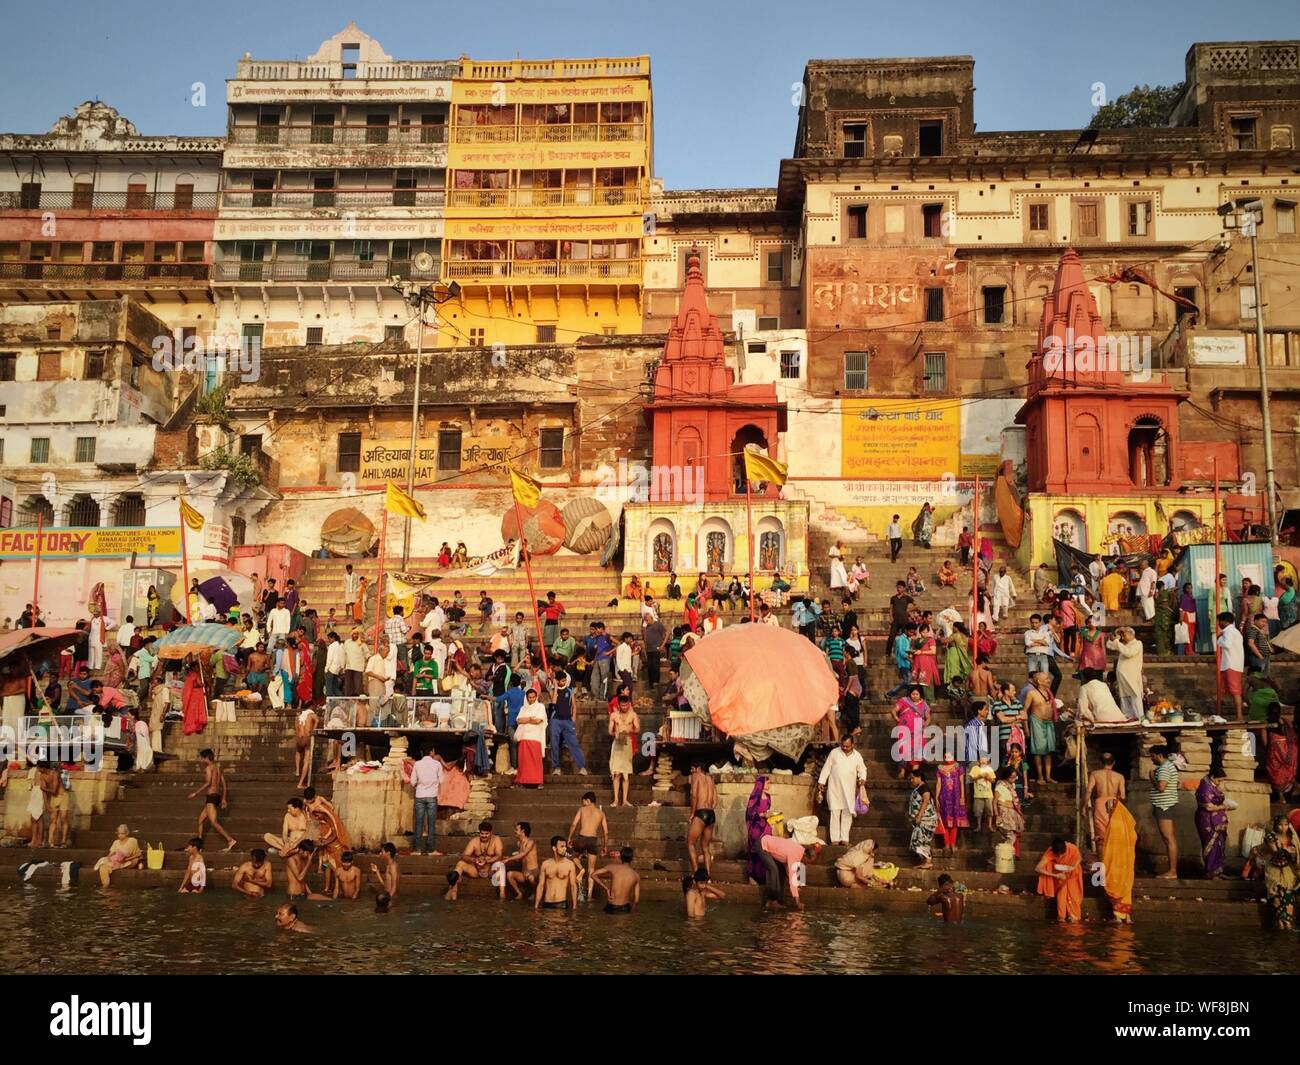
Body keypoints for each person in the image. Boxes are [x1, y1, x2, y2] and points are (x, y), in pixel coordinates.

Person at [816, 735, 867, 846]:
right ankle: (834, 839)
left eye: (847, 746)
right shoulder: (834, 753)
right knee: (834, 812)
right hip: (834, 789)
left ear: (852, 745)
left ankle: (844, 838)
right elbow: (826, 768)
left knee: (847, 813)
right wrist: (822, 782)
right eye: (843, 745)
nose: (844, 748)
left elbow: (862, 769)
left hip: (849, 790)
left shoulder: (857, 756)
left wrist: (862, 779)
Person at [1251, 816, 1299, 929]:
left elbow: (1296, 853)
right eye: (1280, 825)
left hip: (1288, 872)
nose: (1283, 827)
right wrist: (1287, 849)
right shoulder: (1270, 836)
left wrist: (1292, 851)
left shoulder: (1292, 837)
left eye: (1286, 825)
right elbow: (1274, 850)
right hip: (1274, 871)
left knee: (1288, 897)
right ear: (1276, 825)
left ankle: (1287, 922)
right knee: (1276, 896)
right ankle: (1279, 922)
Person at [189, 749, 236, 851]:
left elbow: (208, 783)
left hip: (211, 797)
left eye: (202, 758)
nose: (201, 760)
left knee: (213, 822)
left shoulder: (208, 768)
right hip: (216, 796)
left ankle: (230, 839)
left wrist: (195, 793)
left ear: (206, 758)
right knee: (201, 820)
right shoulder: (218, 768)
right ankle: (199, 845)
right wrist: (223, 798)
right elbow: (223, 784)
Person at [758, 832, 818, 911]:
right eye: (808, 861)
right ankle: (770, 901)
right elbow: (792, 878)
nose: (806, 864)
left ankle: (779, 901)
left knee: (781, 872)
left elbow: (788, 871)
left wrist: (796, 886)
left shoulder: (800, 850)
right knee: (773, 870)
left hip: (768, 844)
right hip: (762, 845)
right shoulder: (795, 854)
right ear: (805, 856)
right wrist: (798, 902)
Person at [445, 821, 504, 901]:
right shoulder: (474, 841)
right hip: (476, 870)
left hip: (490, 870)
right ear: (479, 832)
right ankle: (453, 890)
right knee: (460, 863)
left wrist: (486, 861)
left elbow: (499, 856)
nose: (484, 836)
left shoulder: (496, 840)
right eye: (482, 833)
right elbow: (464, 855)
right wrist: (474, 859)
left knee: (500, 865)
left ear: (491, 833)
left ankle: (502, 894)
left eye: (486, 834)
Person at [567, 792, 609, 898]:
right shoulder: (601, 813)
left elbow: (573, 825)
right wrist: (605, 846)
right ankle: (589, 896)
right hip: (593, 841)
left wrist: (569, 838)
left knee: (573, 857)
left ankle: (581, 868)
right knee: (592, 869)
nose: (583, 804)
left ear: (588, 801)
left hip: (582, 838)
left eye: (584, 802)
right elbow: (606, 832)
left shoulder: (581, 810)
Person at [1149, 745, 1180, 879]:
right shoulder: (1167, 767)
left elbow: (1161, 787)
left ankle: (1172, 871)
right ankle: (1172, 870)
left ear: (1159, 755)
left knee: (1169, 839)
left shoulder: (1164, 768)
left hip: (1164, 806)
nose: (1152, 759)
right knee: (1169, 838)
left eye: (1153, 756)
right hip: (1166, 805)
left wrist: (1151, 778)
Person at [1194, 765, 1230, 880]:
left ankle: (1218, 871)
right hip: (1207, 821)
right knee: (1211, 845)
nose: (1220, 783)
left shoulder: (1213, 786)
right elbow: (1209, 807)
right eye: (1219, 780)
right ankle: (1211, 872)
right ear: (1213, 777)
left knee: (1219, 845)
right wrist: (1224, 806)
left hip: (1218, 821)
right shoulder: (1205, 788)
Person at [1035, 836, 1083, 922]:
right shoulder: (1050, 853)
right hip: (1059, 877)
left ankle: (1073, 916)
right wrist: (1055, 875)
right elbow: (1038, 868)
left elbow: (1079, 858)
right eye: (1058, 855)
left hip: (1072, 874)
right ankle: (1061, 917)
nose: (1060, 856)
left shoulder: (1072, 848)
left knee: (1073, 896)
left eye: (1062, 854)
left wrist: (1072, 868)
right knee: (1062, 896)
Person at [410, 745, 446, 856]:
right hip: (431, 796)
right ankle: (431, 850)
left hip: (420, 795)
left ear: (422, 752)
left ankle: (417, 850)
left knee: (419, 823)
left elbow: (412, 782)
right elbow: (442, 780)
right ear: (432, 752)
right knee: (431, 823)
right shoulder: (437, 764)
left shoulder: (417, 764)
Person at [1023, 672, 1057, 784]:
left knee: (1048, 751)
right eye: (1046, 679)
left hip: (1049, 723)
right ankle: (1040, 776)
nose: (1049, 680)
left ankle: (1048, 776)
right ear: (1039, 681)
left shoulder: (1049, 693)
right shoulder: (1031, 693)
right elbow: (1025, 711)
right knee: (1038, 751)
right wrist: (1026, 727)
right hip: (1037, 722)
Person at [1107, 627, 1145, 720]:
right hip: (1122, 677)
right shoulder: (1124, 644)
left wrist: (1117, 641)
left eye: (1125, 634)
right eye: (1122, 635)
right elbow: (1109, 645)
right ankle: (1128, 719)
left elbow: (1128, 653)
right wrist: (1116, 635)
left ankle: (1141, 720)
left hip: (1131, 676)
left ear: (1132, 634)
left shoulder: (1137, 643)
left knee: (1135, 697)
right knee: (1124, 698)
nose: (1123, 636)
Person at [514, 688, 548, 788]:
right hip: (524, 737)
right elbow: (519, 720)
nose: (532, 699)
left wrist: (526, 720)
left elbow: (538, 721)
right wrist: (529, 719)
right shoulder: (523, 708)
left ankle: (538, 781)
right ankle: (523, 781)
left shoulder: (540, 707)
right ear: (527, 698)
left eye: (533, 697)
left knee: (536, 760)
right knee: (524, 761)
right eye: (530, 697)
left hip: (535, 737)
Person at [608, 694, 638, 807]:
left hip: (627, 744)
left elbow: (638, 728)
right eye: (622, 705)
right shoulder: (614, 715)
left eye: (626, 705)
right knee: (616, 773)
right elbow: (609, 730)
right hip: (617, 744)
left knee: (626, 774)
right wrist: (615, 733)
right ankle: (616, 800)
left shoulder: (633, 715)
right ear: (619, 705)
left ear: (629, 704)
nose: (624, 707)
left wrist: (630, 731)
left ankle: (625, 800)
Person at [687, 764, 718, 874]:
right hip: (711, 813)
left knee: (690, 843)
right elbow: (715, 801)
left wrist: (692, 813)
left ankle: (696, 874)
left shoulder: (696, 776)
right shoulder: (710, 779)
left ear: (697, 768)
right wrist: (708, 808)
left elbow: (694, 795)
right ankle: (708, 876)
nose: (691, 772)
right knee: (705, 847)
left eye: (692, 769)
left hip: (701, 813)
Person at [907, 768, 940, 869]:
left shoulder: (924, 788)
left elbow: (925, 801)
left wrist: (919, 816)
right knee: (920, 839)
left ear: (919, 777)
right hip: (921, 820)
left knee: (919, 839)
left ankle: (928, 861)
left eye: (912, 778)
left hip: (926, 820)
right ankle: (926, 861)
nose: (911, 780)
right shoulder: (919, 788)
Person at [591, 846, 640, 914]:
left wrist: (606, 888)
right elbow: (636, 900)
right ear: (632, 859)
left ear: (621, 857)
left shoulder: (612, 867)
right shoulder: (636, 875)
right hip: (625, 908)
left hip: (611, 906)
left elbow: (593, 875)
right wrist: (632, 911)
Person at [535, 836, 579, 911]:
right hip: (547, 903)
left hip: (561, 904)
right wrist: (536, 906)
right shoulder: (545, 864)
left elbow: (573, 886)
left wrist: (574, 906)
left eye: (565, 846)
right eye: (562, 846)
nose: (565, 849)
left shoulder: (570, 864)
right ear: (554, 848)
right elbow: (541, 885)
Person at [500, 821, 540, 901]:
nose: (515, 831)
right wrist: (508, 857)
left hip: (533, 871)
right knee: (509, 874)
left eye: (516, 829)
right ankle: (519, 893)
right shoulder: (519, 843)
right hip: (523, 872)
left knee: (531, 878)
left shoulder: (530, 842)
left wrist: (509, 859)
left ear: (522, 831)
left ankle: (535, 893)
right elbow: (520, 858)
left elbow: (524, 854)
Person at [934, 755, 967, 851]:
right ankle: (947, 843)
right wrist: (936, 797)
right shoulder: (940, 768)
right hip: (944, 797)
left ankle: (952, 843)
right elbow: (938, 783)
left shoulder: (958, 767)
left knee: (954, 821)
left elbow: (961, 782)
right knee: (945, 820)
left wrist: (962, 796)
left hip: (955, 797)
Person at [1215, 612, 1244, 719]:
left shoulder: (1229, 632)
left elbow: (1226, 644)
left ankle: (1239, 715)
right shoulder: (1233, 632)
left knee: (1235, 691)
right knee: (1229, 690)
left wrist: (1219, 638)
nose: (1218, 624)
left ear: (1225, 622)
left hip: (1231, 664)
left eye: (1219, 621)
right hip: (1231, 664)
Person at [180, 661, 207, 735]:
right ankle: (196, 726)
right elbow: (198, 684)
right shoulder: (195, 675)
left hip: (192, 696)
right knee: (196, 711)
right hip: (195, 696)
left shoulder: (189, 675)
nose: (198, 668)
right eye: (197, 667)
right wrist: (202, 684)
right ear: (193, 668)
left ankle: (192, 727)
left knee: (191, 711)